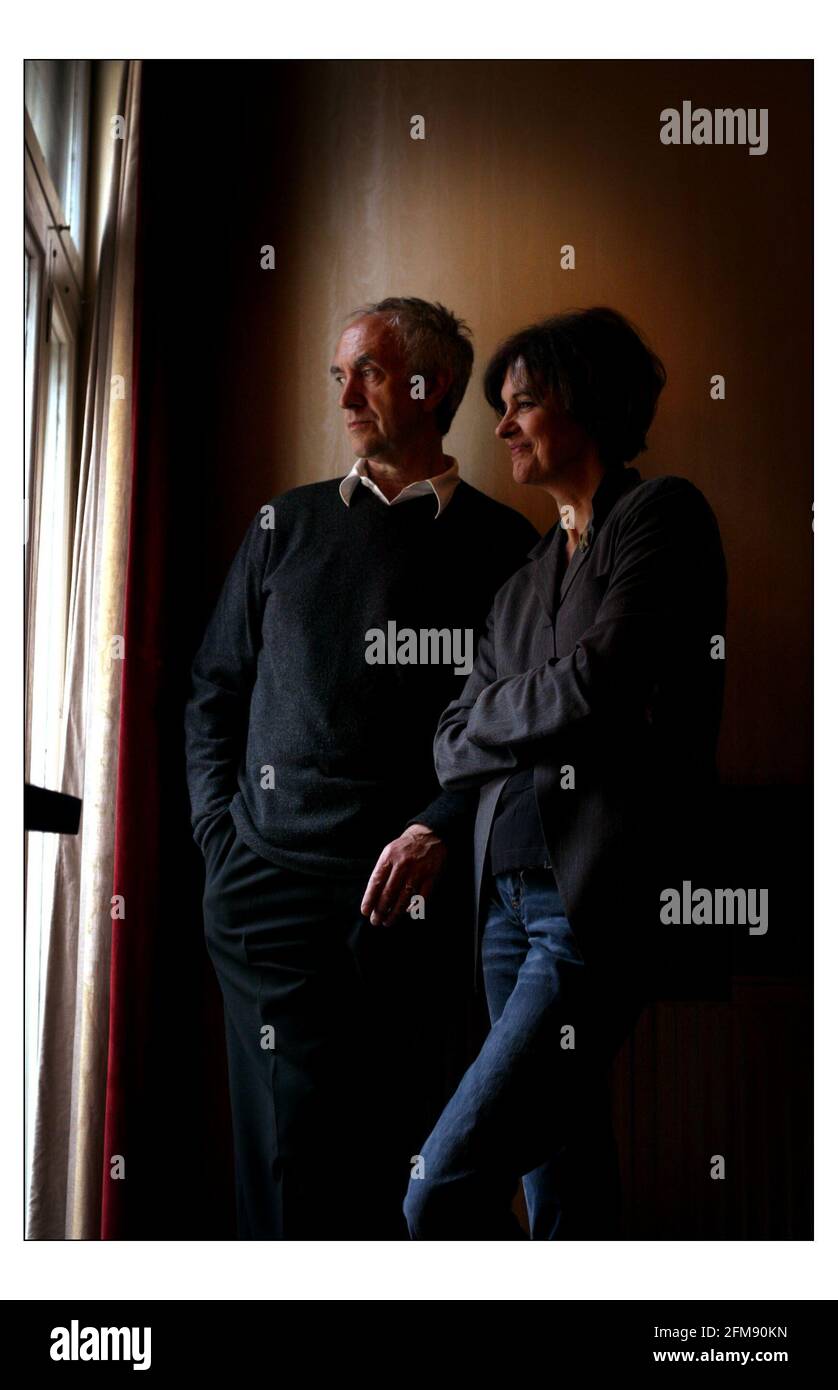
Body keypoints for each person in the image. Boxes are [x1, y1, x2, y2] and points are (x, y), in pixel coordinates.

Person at [184, 297, 539, 1238]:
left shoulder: (508, 550)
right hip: (268, 896)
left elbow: (517, 734)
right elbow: (214, 691)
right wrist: (220, 844)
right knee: (288, 1166)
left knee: (411, 1168)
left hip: (422, 914)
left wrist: (443, 828)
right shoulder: (283, 527)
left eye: (370, 372)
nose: (345, 393)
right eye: (339, 373)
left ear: (437, 388)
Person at [404, 306, 727, 1239]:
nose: (500, 426)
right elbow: (449, 738)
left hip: (592, 904)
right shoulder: (522, 579)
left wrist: (510, 716)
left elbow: (602, 683)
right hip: (499, 912)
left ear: (584, 404)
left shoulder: (662, 516)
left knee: (438, 1190)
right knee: (565, 1187)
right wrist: (527, 714)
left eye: (522, 404)